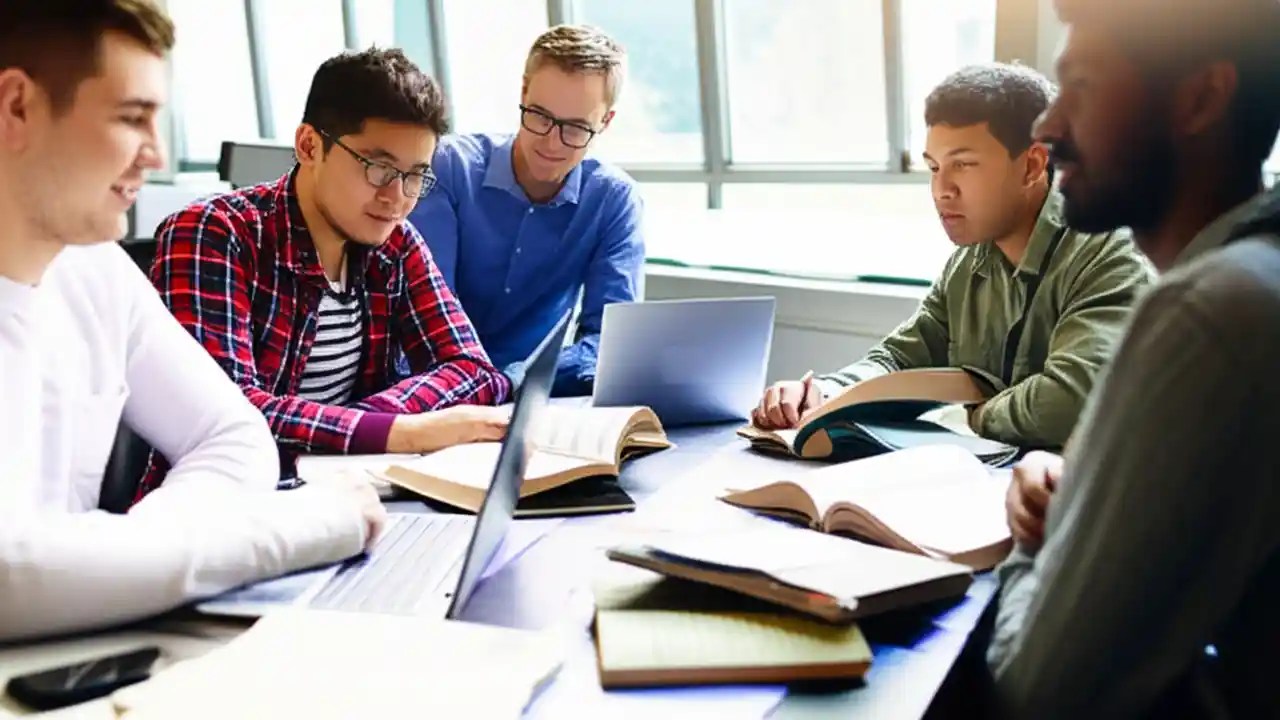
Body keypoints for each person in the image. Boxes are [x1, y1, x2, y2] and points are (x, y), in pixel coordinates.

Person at [0, 0, 384, 642]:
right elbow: (10, 571)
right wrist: (300, 528)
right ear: (16, 108)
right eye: (132, 118)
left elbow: (236, 437)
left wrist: (139, 560)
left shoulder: (96, 268)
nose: (155, 155)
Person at [990, 0, 1280, 716]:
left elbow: (1040, 688)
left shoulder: (1205, 314)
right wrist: (1089, 478)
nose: (1047, 127)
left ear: (1202, 97)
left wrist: (1037, 542)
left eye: (1082, 86)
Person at [143, 47, 512, 495]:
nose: (397, 198)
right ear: (309, 146)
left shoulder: (394, 244)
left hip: (348, 499)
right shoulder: (214, 233)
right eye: (379, 169)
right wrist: (404, 432)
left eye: (415, 175)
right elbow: (226, 415)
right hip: (222, 513)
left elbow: (474, 370)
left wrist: (368, 425)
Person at [753, 63, 1152, 450]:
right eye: (934, 167)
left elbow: (1067, 401)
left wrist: (968, 416)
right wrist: (824, 392)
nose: (941, 189)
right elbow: (896, 358)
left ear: (1032, 166)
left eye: (963, 164)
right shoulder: (968, 262)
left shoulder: (1108, 250)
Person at [408, 24, 644, 396]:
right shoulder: (449, 168)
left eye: (576, 128)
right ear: (523, 92)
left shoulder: (613, 200)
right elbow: (426, 320)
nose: (551, 142)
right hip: (431, 390)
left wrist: (512, 381)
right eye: (539, 115)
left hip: (533, 399)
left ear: (606, 122)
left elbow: (610, 343)